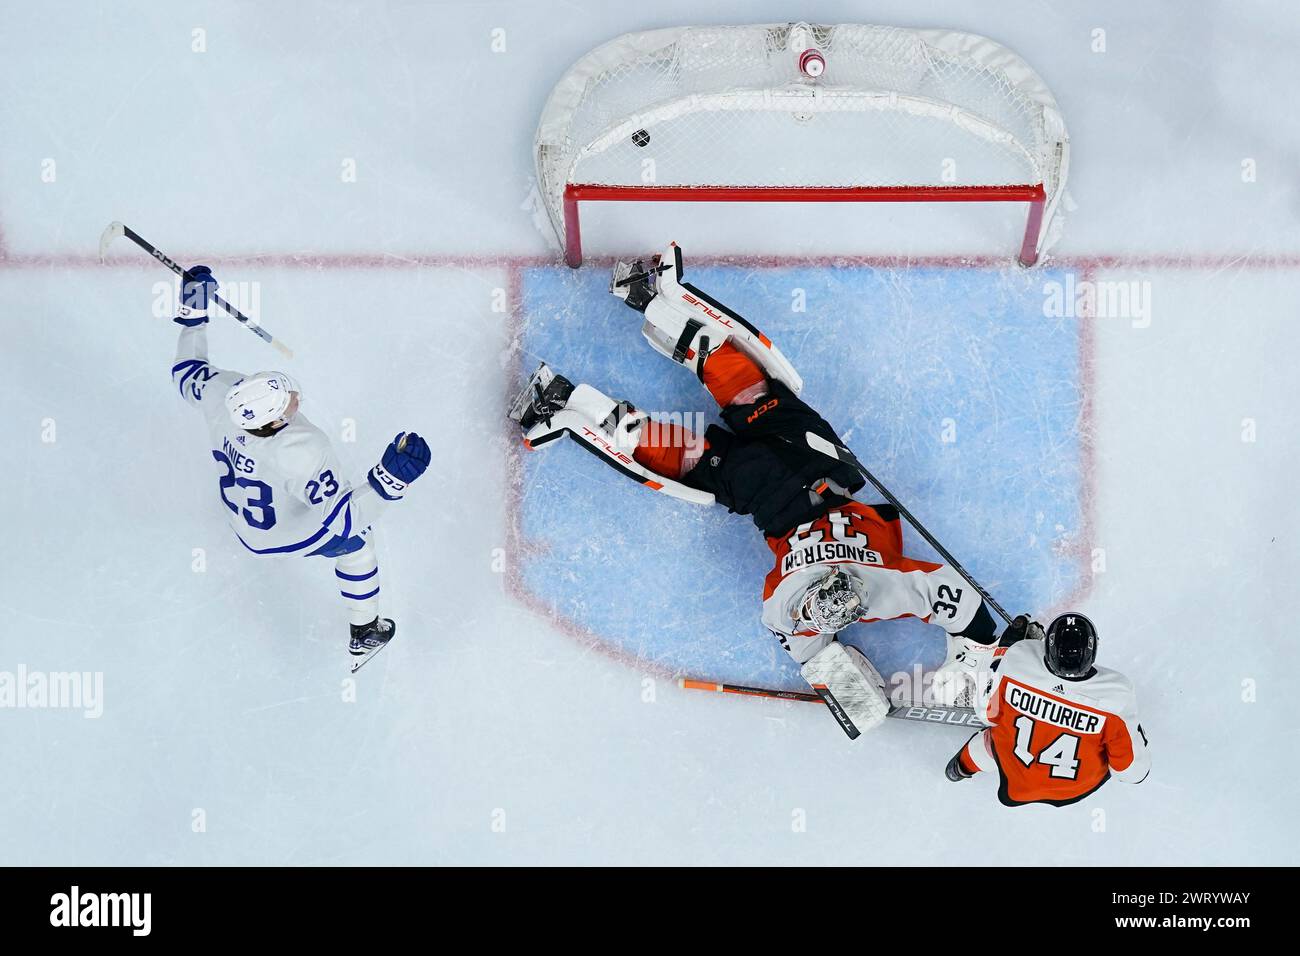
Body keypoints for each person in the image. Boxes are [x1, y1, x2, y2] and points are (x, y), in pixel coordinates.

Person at [511, 243, 1028, 737]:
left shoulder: (873, 590)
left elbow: (950, 595)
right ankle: (569, 398)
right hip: (768, 492)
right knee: (694, 456)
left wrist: (984, 648)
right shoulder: (788, 614)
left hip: (811, 469)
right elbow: (832, 662)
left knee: (747, 398)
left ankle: (649, 303)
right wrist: (870, 702)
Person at [169, 266, 430, 662]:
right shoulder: (303, 450)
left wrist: (194, 312)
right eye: (285, 403)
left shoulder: (224, 396)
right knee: (358, 545)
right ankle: (365, 631)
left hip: (241, 519)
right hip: (277, 535)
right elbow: (345, 520)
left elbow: (186, 372)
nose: (293, 398)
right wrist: (389, 481)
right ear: (273, 423)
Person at [945, 613, 1150, 806]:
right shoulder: (1116, 694)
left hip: (1016, 781)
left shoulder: (1019, 659)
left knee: (991, 741)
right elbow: (1133, 773)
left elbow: (986, 714)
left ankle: (959, 769)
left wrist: (1004, 651)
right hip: (1074, 787)